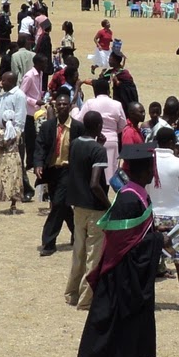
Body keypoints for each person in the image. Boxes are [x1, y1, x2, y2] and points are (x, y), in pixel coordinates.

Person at [74, 143, 162, 357]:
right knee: (121, 334)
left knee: (135, 333)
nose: (152, 173)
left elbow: (136, 238)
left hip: (135, 276)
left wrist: (158, 238)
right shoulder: (127, 199)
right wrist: (158, 241)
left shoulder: (138, 194)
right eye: (150, 168)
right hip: (123, 278)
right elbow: (121, 245)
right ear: (144, 169)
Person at [148, 125, 179, 311]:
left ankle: (147, 299)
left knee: (150, 261)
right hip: (177, 217)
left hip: (154, 218)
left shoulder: (149, 161)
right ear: (171, 143)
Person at [65, 111, 110, 309]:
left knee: (79, 251)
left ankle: (71, 293)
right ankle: (86, 300)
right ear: (99, 126)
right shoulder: (98, 151)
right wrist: (108, 204)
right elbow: (95, 183)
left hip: (77, 206)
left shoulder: (75, 144)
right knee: (94, 254)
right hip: (95, 208)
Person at [35, 90, 75, 256]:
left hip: (68, 171)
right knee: (63, 205)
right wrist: (38, 164)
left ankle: (48, 242)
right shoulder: (48, 127)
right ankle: (79, 233)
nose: (62, 107)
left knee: (57, 204)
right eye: (59, 104)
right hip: (52, 171)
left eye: (65, 104)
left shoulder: (77, 127)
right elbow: (40, 147)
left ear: (71, 106)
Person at [0, 70, 26, 214]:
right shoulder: (6, 95)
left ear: (11, 81)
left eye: (4, 80)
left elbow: (20, 119)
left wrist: (13, 136)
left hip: (12, 136)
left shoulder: (19, 95)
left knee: (12, 171)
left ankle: (9, 201)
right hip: (4, 133)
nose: (2, 82)